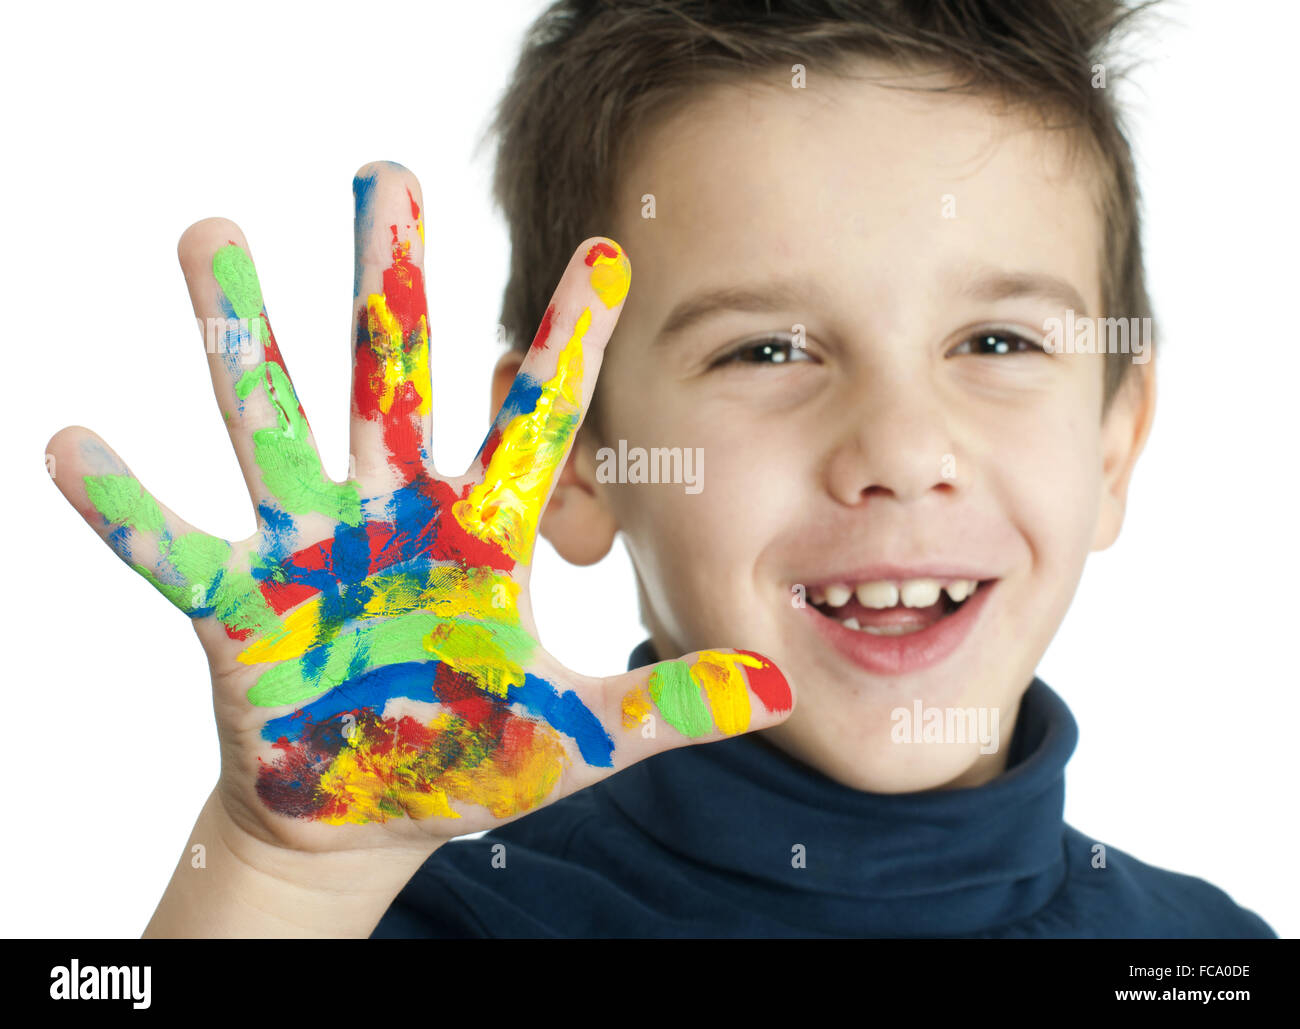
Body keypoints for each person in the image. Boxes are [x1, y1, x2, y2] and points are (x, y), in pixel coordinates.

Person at [45, 0, 1275, 938]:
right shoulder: (421, 906)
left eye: (996, 342)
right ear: (568, 457)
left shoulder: (1209, 949)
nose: (902, 452)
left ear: (1116, 439)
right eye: (768, 349)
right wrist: (284, 872)